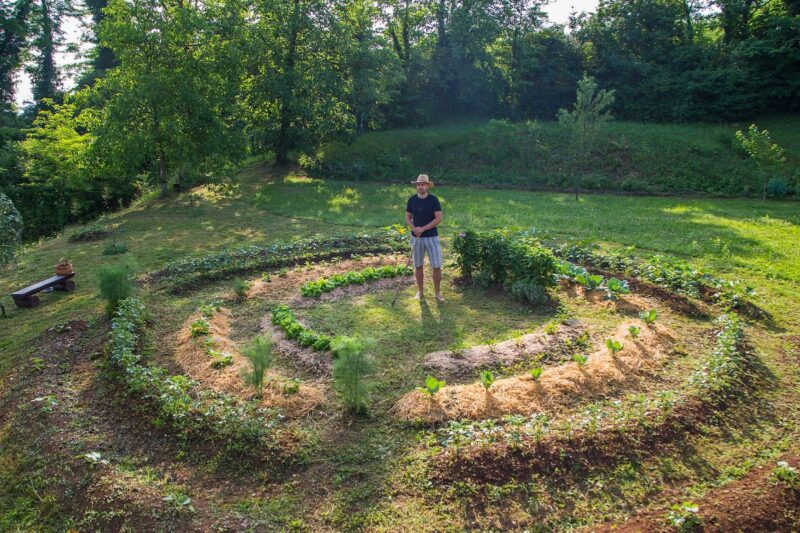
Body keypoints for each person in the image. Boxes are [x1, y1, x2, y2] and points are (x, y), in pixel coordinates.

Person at [405, 174, 444, 302]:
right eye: (418, 184)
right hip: (416, 238)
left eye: (423, 184)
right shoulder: (412, 200)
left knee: (436, 265)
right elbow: (408, 217)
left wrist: (423, 228)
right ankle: (420, 291)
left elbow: (438, 218)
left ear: (427, 186)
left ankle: (437, 293)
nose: (420, 186)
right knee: (418, 265)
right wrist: (414, 228)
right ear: (416, 186)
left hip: (431, 237)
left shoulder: (434, 200)